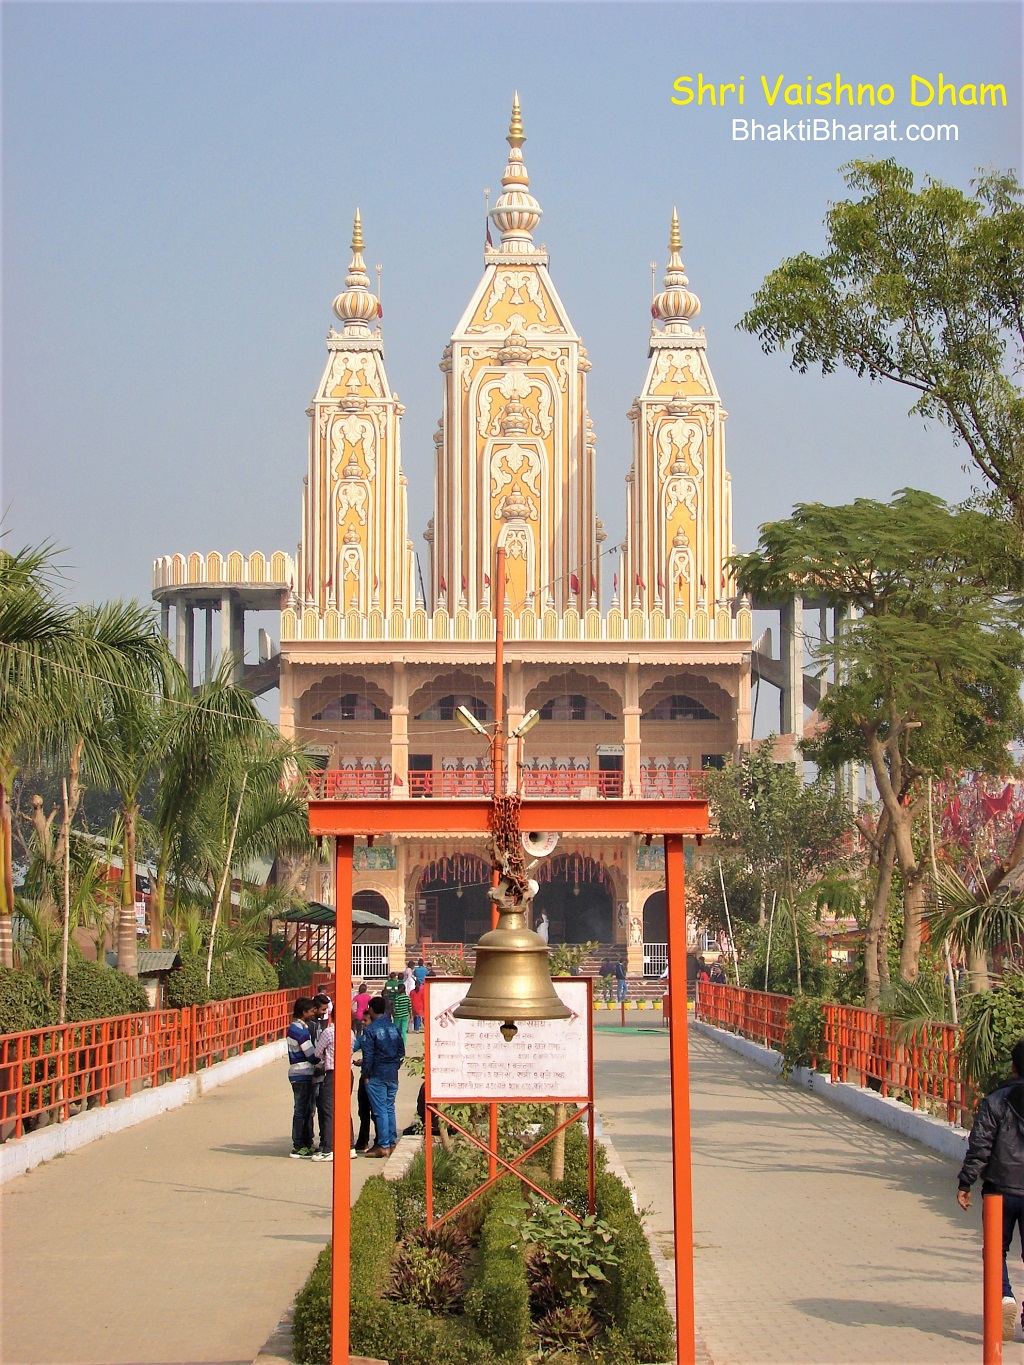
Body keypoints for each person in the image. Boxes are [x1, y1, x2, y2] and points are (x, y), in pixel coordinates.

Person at [958, 1039, 1024, 1341]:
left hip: (1000, 1189)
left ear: (1013, 1066)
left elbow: (980, 1145)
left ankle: (1004, 1297)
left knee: (996, 1250)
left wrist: (966, 1182)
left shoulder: (997, 1101)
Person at [360, 995, 405, 1157]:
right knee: (389, 1108)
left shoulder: (370, 1030)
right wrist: (394, 1066)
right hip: (392, 1073)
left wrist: (366, 1075)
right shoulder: (394, 1028)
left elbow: (368, 1055)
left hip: (377, 1073)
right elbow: (401, 1051)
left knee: (380, 1110)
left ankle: (383, 1145)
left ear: (371, 1009)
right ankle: (392, 1143)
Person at [286, 998, 319, 1158]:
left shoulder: (294, 1027)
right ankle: (299, 1144)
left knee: (305, 1110)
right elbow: (311, 1055)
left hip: (298, 1072)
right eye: (311, 1011)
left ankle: (306, 1142)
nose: (314, 1013)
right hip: (302, 1073)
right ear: (304, 1012)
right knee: (302, 1110)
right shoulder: (300, 1031)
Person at [312, 1007, 335, 1161]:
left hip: (332, 1073)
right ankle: (348, 1146)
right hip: (347, 1072)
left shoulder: (329, 1032)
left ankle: (328, 1148)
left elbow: (317, 1053)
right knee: (343, 1110)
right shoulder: (351, 1032)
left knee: (327, 1111)